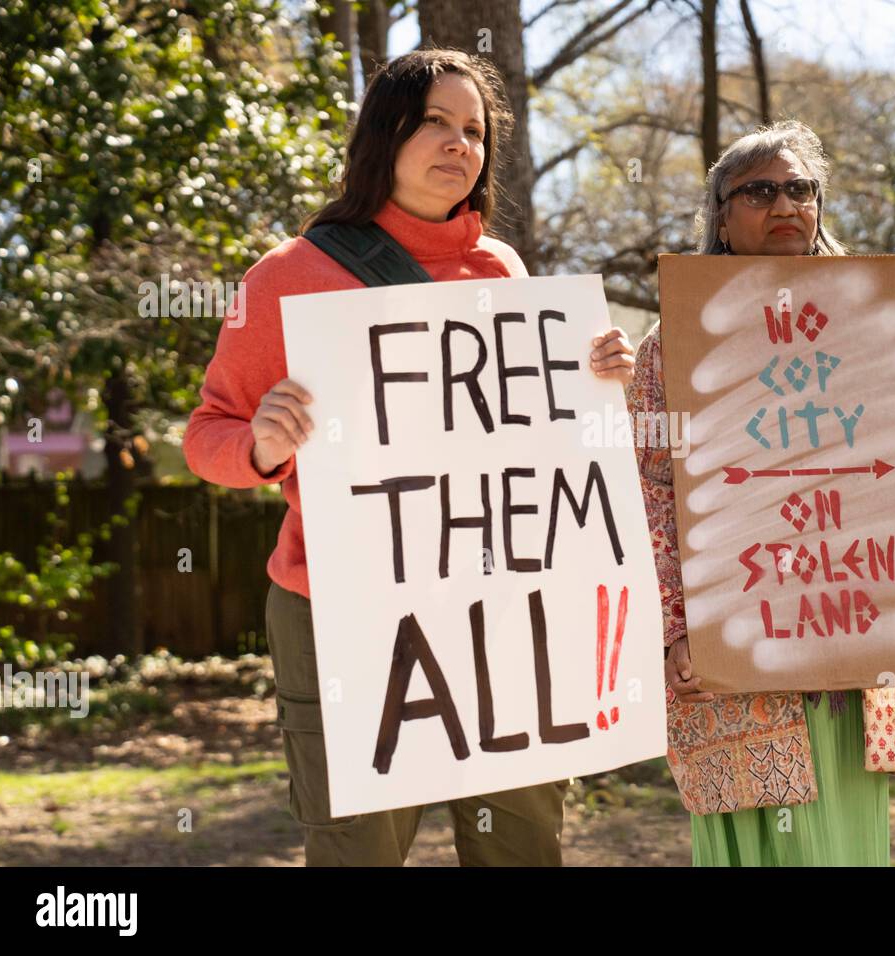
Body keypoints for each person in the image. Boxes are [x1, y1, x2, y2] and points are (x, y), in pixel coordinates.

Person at [183, 49, 635, 866]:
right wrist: (260, 446)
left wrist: (596, 384)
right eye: (434, 120)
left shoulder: (503, 269)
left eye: (474, 130)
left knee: (523, 847)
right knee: (360, 851)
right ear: (382, 133)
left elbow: (534, 443)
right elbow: (206, 434)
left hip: (502, 612)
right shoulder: (291, 275)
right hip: (343, 617)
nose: (458, 143)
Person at [625, 120, 895, 866]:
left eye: (800, 189)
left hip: (848, 632)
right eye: (760, 190)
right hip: (734, 644)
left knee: (843, 844)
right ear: (722, 214)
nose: (785, 203)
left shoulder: (876, 330)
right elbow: (645, 491)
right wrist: (676, 626)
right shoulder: (674, 343)